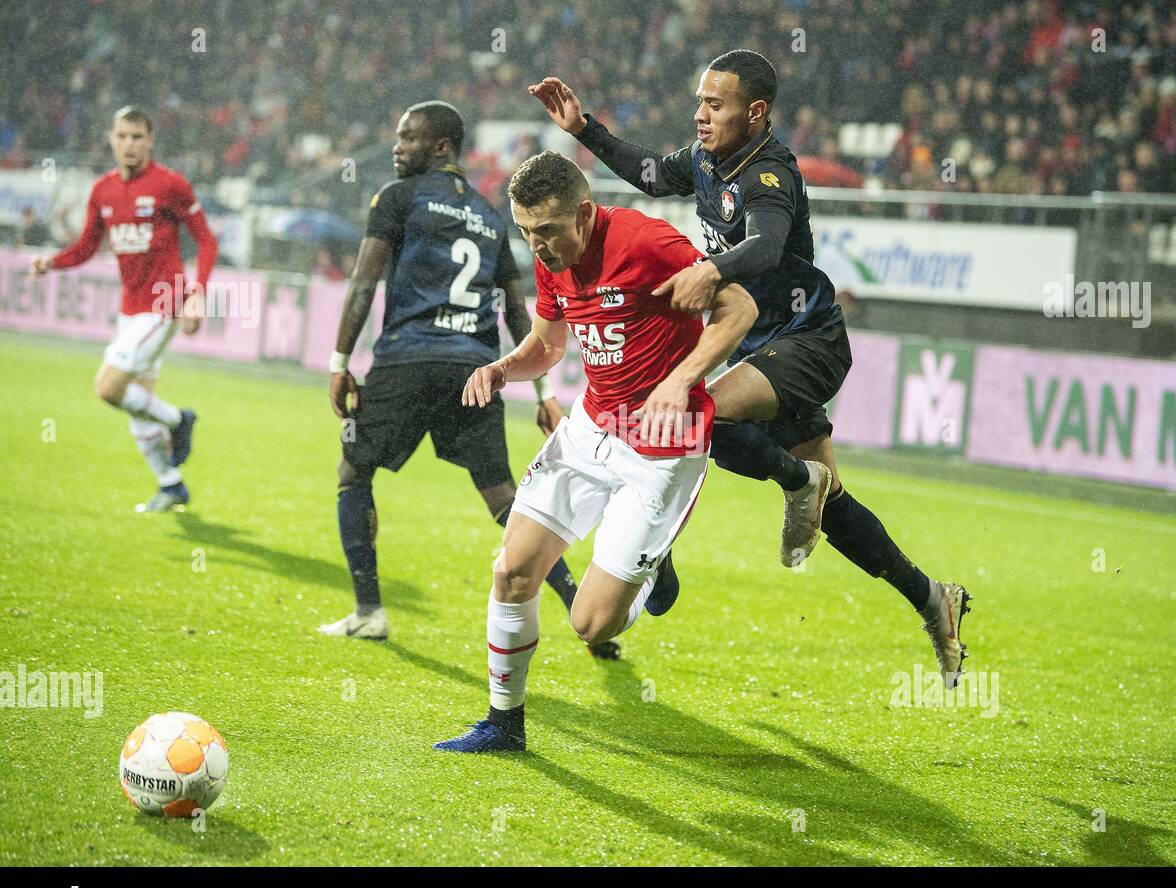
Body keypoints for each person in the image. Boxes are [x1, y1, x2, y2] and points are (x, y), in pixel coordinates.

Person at [530, 51, 971, 685]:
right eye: (700, 101)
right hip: (762, 347)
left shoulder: (768, 175)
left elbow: (764, 246)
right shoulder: (710, 160)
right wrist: (584, 129)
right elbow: (652, 175)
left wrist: (710, 269)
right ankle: (934, 599)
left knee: (692, 414)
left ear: (754, 111)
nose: (700, 113)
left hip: (806, 340)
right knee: (835, 504)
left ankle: (689, 537)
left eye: (715, 104)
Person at [435, 151, 757, 752]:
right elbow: (547, 345)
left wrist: (679, 379)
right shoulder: (550, 256)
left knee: (591, 624)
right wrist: (503, 369)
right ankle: (504, 725)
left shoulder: (648, 243)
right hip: (591, 426)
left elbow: (739, 309)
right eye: (527, 233)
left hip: (663, 446)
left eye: (549, 232)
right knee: (511, 571)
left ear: (584, 213)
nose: (539, 247)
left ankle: (648, 570)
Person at [321, 102, 584, 645]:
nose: (397, 147)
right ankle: (579, 604)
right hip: (474, 369)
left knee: (353, 474)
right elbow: (519, 311)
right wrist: (541, 389)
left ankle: (369, 611)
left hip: (409, 361)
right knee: (501, 496)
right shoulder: (491, 214)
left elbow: (365, 283)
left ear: (440, 146)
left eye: (407, 137)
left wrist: (340, 361)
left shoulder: (398, 198)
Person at [31, 106, 216, 512]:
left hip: (164, 301)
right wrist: (52, 262)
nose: (129, 144)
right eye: (122, 136)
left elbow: (206, 240)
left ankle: (179, 420)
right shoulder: (103, 191)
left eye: (137, 137)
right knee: (136, 403)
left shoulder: (171, 185)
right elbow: (85, 247)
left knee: (108, 388)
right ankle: (171, 486)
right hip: (130, 308)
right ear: (111, 139)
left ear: (150, 141)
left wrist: (197, 292)